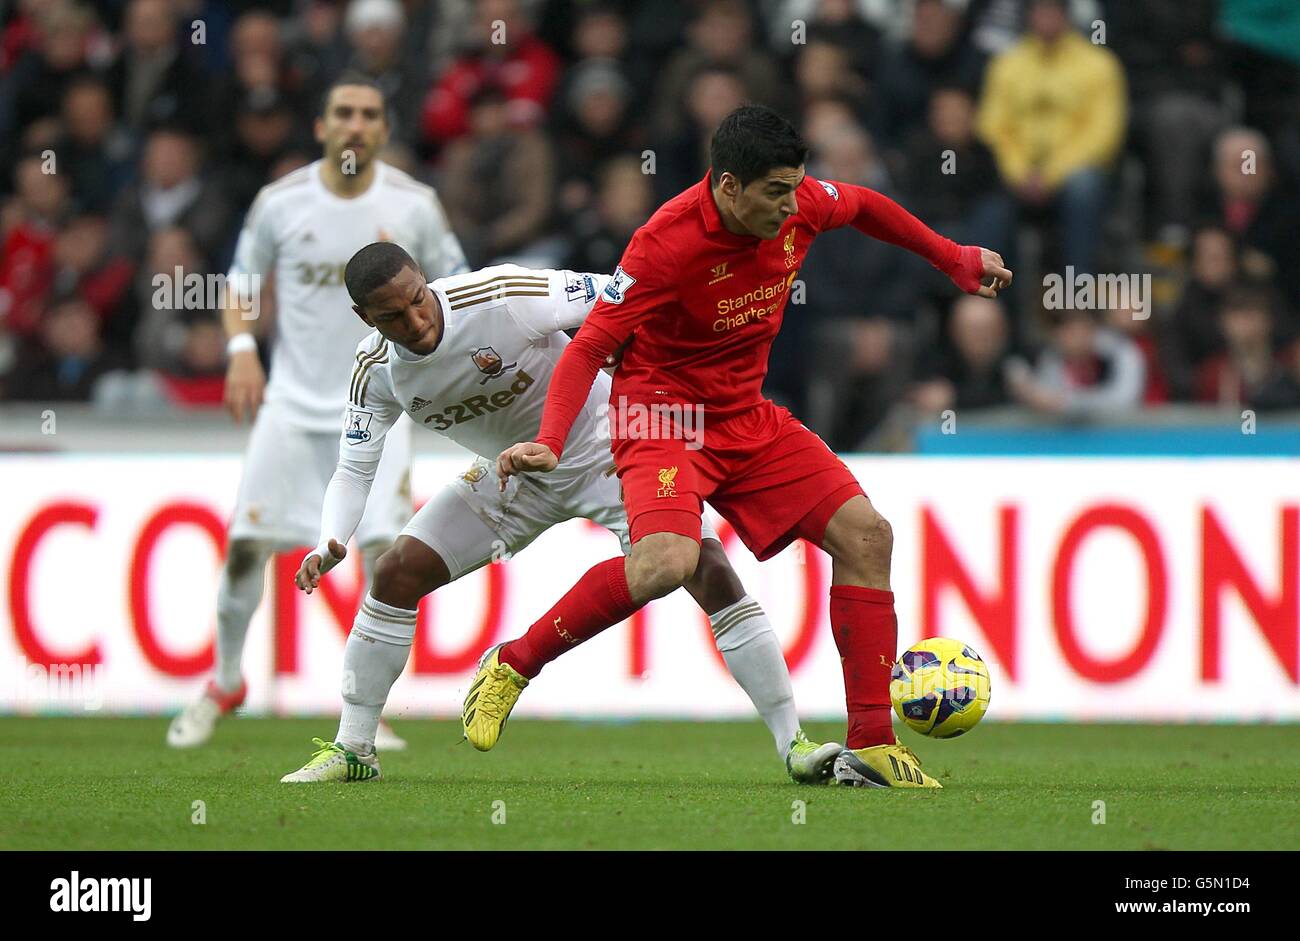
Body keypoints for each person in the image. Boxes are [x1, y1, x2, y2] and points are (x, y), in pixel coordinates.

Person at [490, 105, 1011, 789]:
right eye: (775, 192)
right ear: (728, 186)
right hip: (663, 418)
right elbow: (588, 343)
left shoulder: (801, 204)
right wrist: (551, 440)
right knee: (665, 564)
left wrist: (955, 258)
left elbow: (863, 206)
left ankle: (872, 745)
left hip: (747, 414)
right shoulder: (662, 244)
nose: (793, 205)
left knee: (867, 534)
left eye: (796, 186)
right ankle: (515, 662)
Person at [279, 242, 841, 785]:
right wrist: (332, 539)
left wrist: (647, 351)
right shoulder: (374, 369)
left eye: (418, 299)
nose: (417, 322)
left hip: (611, 450)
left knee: (706, 571)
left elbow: (620, 296)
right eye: (392, 316)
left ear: (426, 278)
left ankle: (794, 744)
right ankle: (354, 748)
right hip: (512, 475)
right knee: (397, 571)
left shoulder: (501, 294)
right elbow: (354, 469)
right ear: (363, 316)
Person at [165, 73, 467, 751]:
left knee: (387, 556)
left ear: (384, 130)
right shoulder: (281, 202)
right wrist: (242, 347)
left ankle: (368, 710)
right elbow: (240, 282)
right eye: (343, 114)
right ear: (322, 128)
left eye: (369, 114)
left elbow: (455, 286)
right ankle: (224, 681)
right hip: (292, 407)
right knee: (246, 550)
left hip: (381, 408)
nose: (356, 125)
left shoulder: (415, 205)